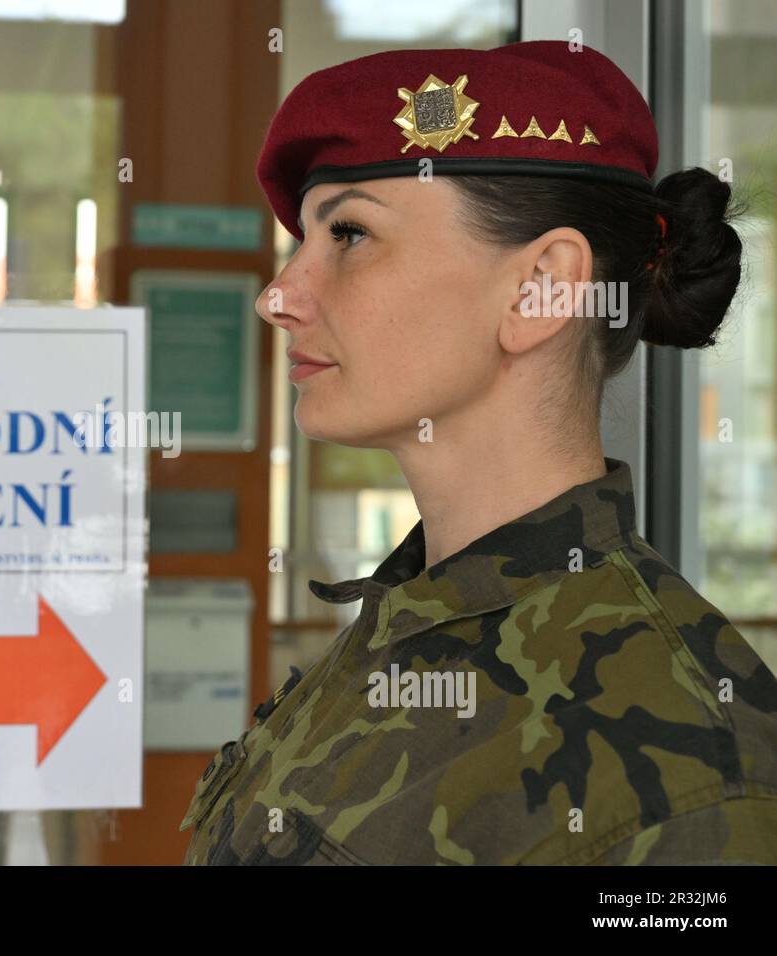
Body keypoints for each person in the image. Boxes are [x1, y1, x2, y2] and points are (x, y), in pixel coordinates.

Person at [180, 40, 777, 865]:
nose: (278, 296)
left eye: (348, 234)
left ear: (542, 288)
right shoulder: (397, 631)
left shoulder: (691, 780)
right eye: (302, 241)